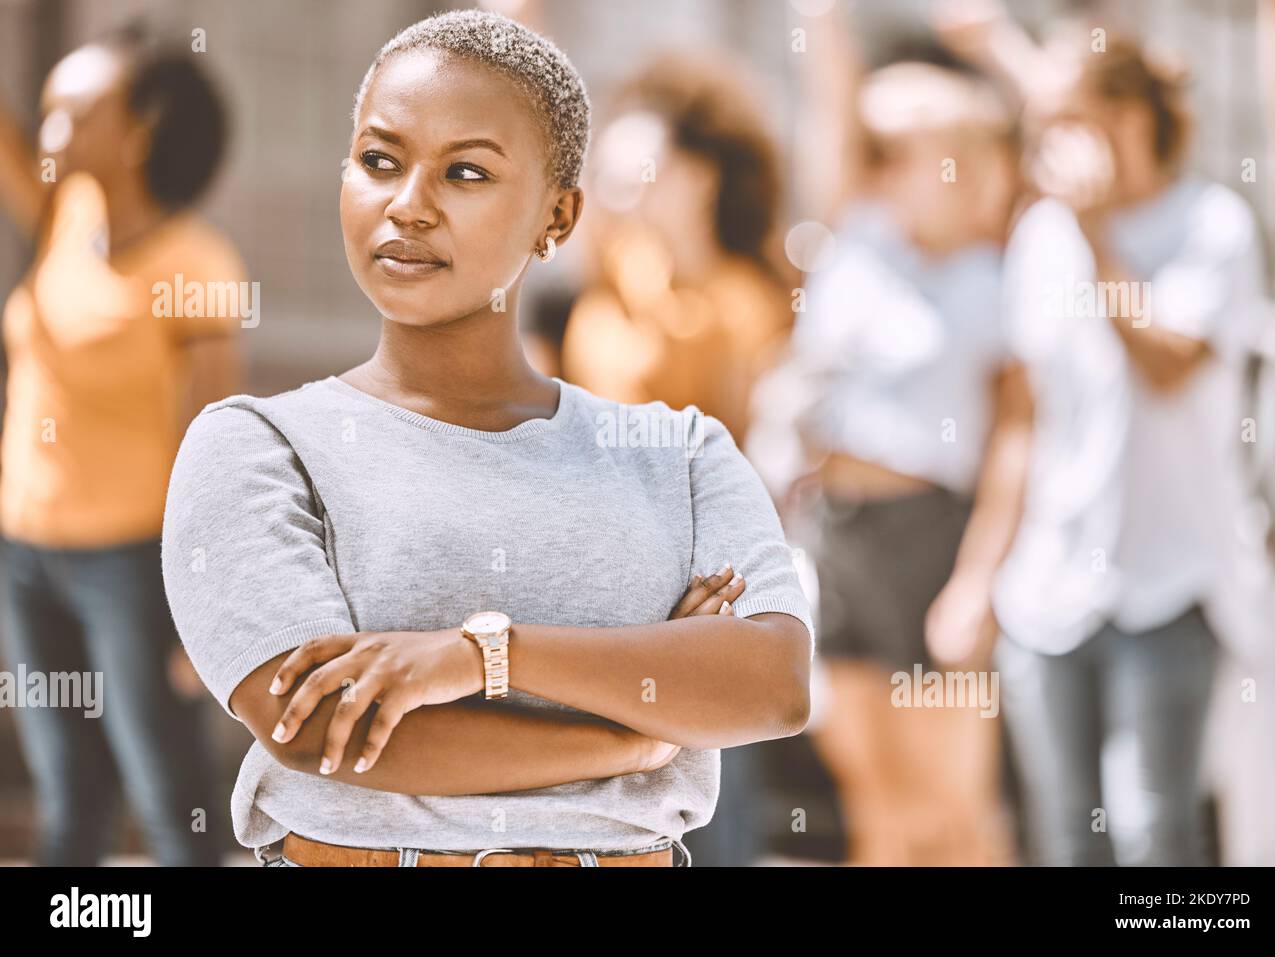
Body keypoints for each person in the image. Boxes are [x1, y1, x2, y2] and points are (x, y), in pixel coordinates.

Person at [160, 9, 813, 869]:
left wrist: (477, 657)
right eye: (379, 161)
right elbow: (318, 727)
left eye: (465, 172)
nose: (408, 205)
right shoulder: (259, 446)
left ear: (558, 215)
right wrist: (637, 737)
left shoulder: (677, 451)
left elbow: (771, 682)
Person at [992, 31, 1267, 866]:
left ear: (1126, 117)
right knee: (1066, 832)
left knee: (1155, 830)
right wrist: (981, 575)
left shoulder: (1213, 223)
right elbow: (1023, 416)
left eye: (1063, 121)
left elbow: (1167, 365)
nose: (1048, 147)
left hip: (1172, 582)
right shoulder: (1039, 235)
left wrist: (1099, 236)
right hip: (1051, 583)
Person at [779, 54, 1033, 866]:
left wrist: (978, 580)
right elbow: (834, 117)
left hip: (932, 539)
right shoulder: (859, 242)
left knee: (953, 806)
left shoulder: (999, 281)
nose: (879, 160)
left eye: (903, 147)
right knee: (875, 803)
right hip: (841, 533)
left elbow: (1015, 445)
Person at [0, 27, 241, 865]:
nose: (50, 130)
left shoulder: (198, 266)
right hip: (25, 555)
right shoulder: (67, 216)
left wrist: (194, 618)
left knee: (167, 796)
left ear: (140, 128)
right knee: (66, 798)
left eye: (74, 112)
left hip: (131, 567)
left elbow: (209, 451)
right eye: (47, 109)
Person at [560, 53, 791, 447]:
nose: (619, 199)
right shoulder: (615, 277)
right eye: (608, 180)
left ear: (701, 179)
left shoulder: (746, 304)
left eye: (642, 177)